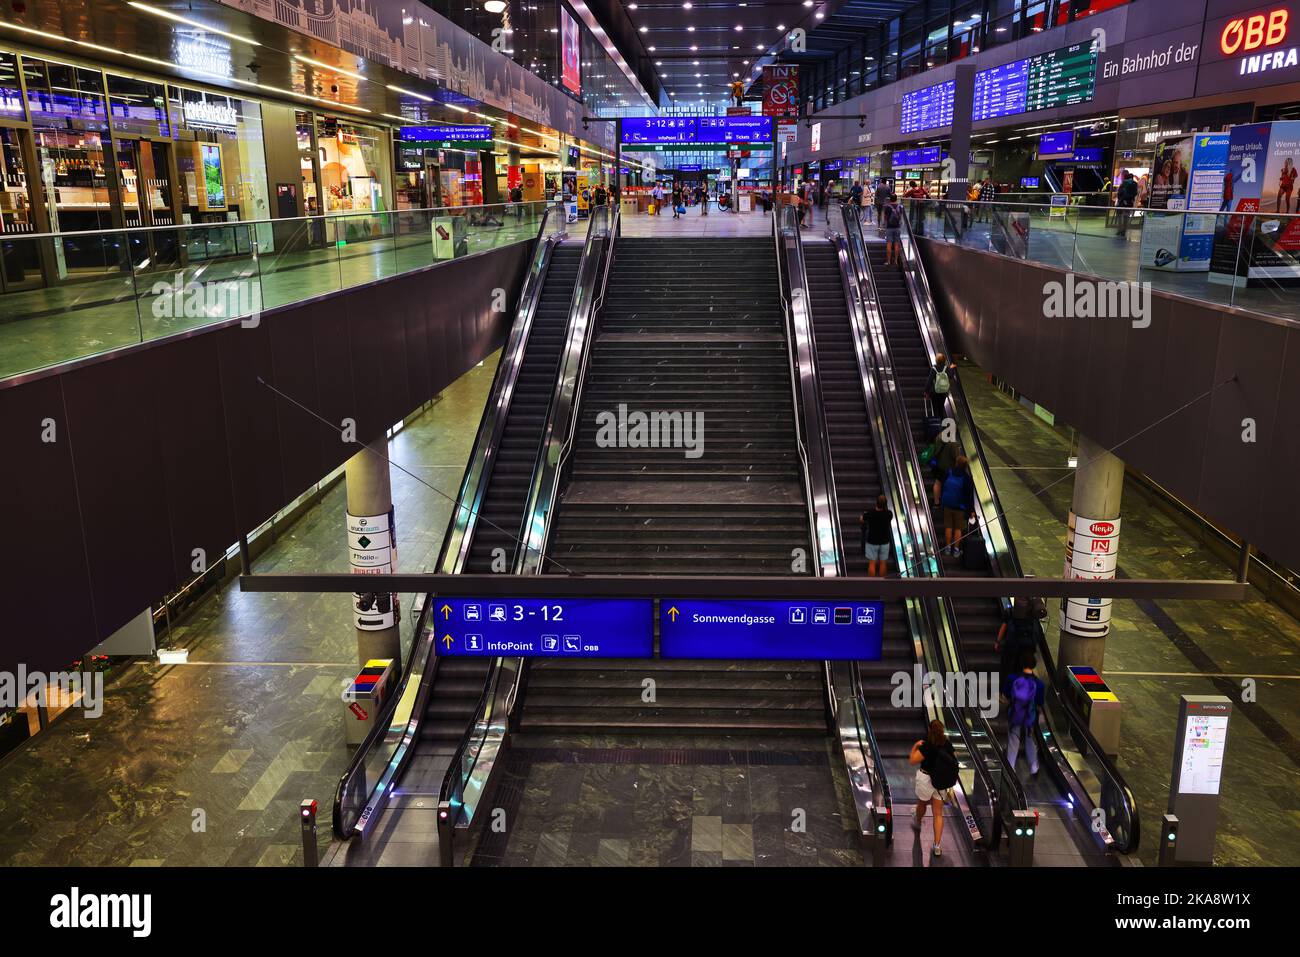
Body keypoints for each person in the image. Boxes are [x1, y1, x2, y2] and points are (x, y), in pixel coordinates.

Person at [910, 719, 959, 857]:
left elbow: (912, 760)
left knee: (922, 804)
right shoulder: (947, 743)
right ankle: (937, 845)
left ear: (930, 729)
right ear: (942, 730)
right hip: (941, 782)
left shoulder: (926, 744)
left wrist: (915, 746)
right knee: (938, 813)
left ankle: (918, 821)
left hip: (925, 779)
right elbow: (954, 759)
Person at [1002, 651, 1046, 778]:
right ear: (1033, 665)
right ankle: (1033, 767)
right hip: (1030, 717)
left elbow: (1005, 696)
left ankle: (1011, 767)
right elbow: (1040, 703)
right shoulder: (1039, 684)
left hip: (1014, 714)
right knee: (1030, 739)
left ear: (1021, 664)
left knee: (1013, 740)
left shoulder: (1012, 678)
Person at [939, 455, 975, 557]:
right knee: (958, 529)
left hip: (947, 504)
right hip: (960, 507)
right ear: (966, 466)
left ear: (956, 463)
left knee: (948, 527)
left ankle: (947, 547)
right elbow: (969, 496)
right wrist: (971, 510)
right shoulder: (966, 478)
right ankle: (956, 549)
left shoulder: (949, 472)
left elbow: (943, 485)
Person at [920, 435, 960, 509]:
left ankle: (936, 503)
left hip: (938, 465)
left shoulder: (938, 437)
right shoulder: (952, 442)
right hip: (947, 467)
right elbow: (955, 456)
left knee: (938, 482)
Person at [859, 494, 894, 578]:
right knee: (883, 562)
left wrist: (863, 516)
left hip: (872, 541)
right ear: (885, 504)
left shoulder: (870, 513)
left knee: (872, 563)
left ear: (876, 503)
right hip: (885, 541)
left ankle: (872, 584)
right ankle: (882, 584)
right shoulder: (889, 514)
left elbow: (861, 519)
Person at [925, 352, 956, 420]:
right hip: (943, 392)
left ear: (936, 360)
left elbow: (929, 381)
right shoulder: (946, 368)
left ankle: (937, 426)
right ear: (944, 360)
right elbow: (950, 376)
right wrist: (952, 368)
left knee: (935, 409)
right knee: (941, 408)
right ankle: (942, 425)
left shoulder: (934, 369)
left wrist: (926, 392)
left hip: (935, 392)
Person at [1115, 171, 1138, 239]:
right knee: (1126, 217)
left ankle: (1119, 230)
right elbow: (1135, 193)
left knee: (1119, 216)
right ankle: (1124, 231)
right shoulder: (1134, 184)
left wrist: (1120, 200)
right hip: (1129, 203)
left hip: (1122, 203)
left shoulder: (1123, 183)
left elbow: (1119, 194)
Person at [883, 194, 903, 264]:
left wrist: (885, 224)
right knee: (897, 244)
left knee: (889, 244)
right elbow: (900, 217)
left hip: (889, 227)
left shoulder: (887, 207)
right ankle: (896, 261)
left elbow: (885, 218)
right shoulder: (900, 206)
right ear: (896, 198)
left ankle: (888, 261)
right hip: (897, 227)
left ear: (890, 199)